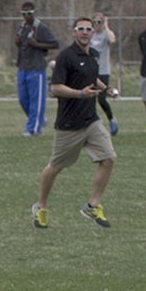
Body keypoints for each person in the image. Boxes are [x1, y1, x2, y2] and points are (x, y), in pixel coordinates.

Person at [32, 17, 117, 231]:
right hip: (69, 125)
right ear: (74, 32)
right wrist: (80, 93)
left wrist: (106, 89)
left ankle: (92, 205)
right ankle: (41, 207)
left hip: (91, 121)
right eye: (81, 29)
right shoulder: (66, 57)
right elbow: (56, 88)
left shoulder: (92, 56)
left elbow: (92, 77)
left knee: (108, 159)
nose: (85, 32)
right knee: (55, 167)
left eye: (89, 29)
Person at [14, 1, 59, 136]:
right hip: (23, 66)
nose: (27, 16)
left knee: (36, 100)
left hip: (36, 68)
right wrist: (17, 43)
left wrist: (37, 44)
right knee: (23, 99)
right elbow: (23, 45)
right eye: (24, 13)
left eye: (29, 13)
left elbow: (55, 43)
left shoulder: (40, 27)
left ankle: (34, 129)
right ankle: (39, 119)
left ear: (34, 13)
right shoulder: (21, 27)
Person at [89, 12, 118, 135]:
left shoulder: (105, 35)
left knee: (101, 99)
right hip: (91, 71)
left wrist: (106, 26)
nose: (96, 25)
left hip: (103, 71)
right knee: (89, 98)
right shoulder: (91, 35)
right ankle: (91, 125)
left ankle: (112, 119)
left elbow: (112, 40)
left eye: (99, 22)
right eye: (94, 22)